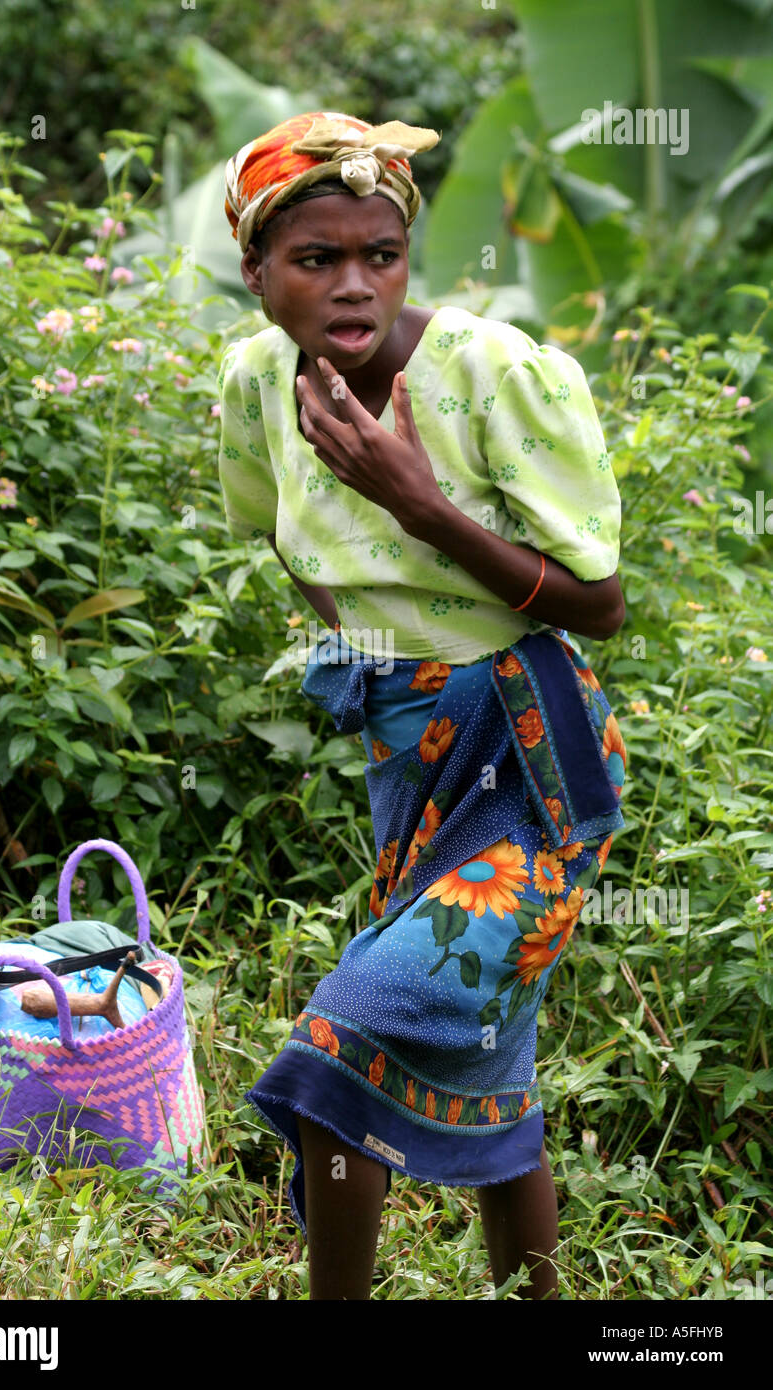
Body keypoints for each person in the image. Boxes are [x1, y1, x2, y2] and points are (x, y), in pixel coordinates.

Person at [217, 111, 629, 1301]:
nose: (354, 285)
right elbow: (284, 538)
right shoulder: (256, 382)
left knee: (345, 1035)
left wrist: (417, 501)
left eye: (380, 255)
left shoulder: (491, 376)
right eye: (314, 259)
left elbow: (597, 605)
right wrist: (382, 663)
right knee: (491, 1057)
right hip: (411, 762)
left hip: (534, 761)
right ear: (255, 274)